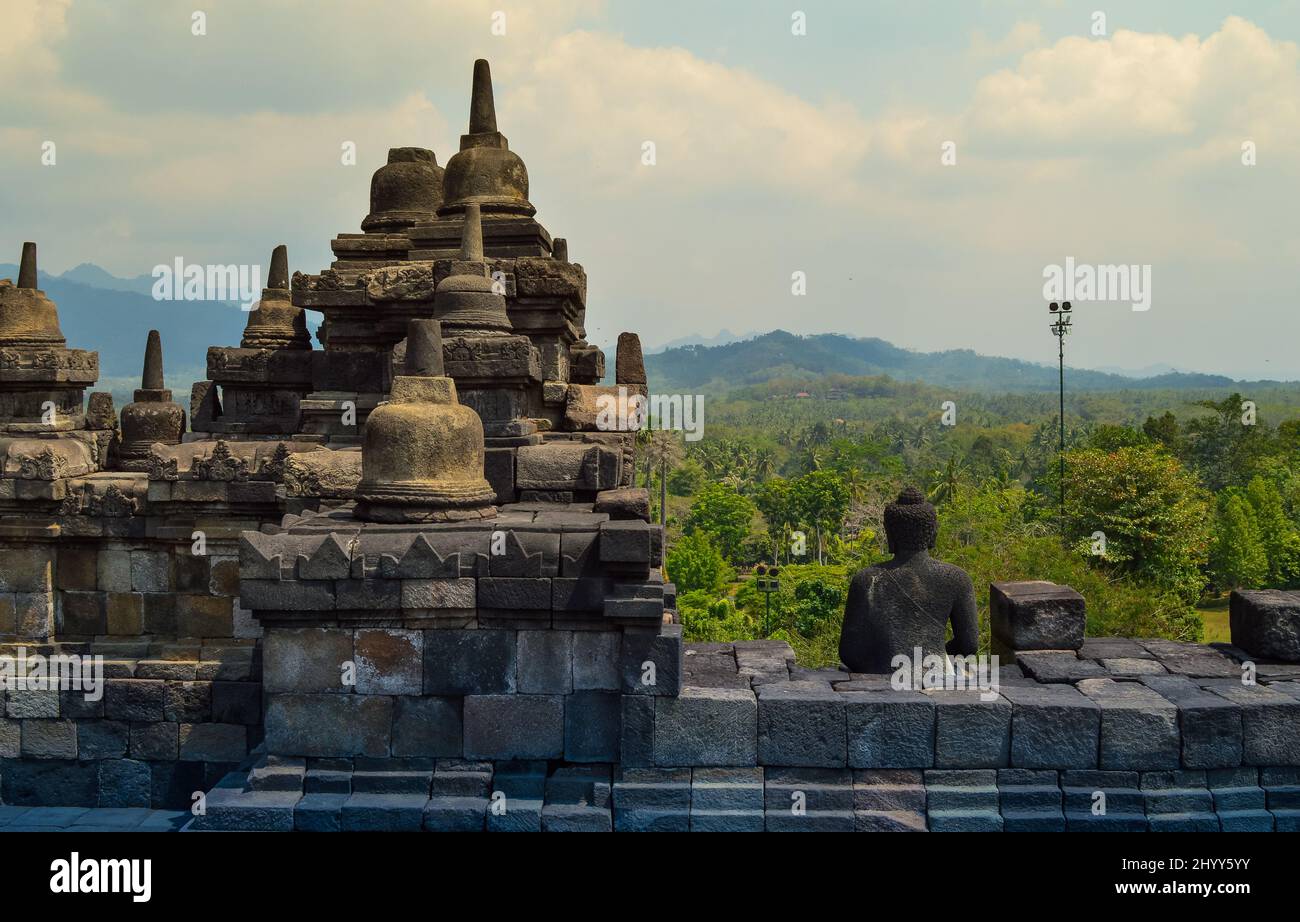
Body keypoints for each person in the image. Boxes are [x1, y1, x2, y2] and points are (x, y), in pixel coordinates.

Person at [839, 486, 979, 674]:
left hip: (881, 674)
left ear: (890, 534)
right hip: (936, 673)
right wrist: (938, 654)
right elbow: (969, 645)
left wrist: (881, 665)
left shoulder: (866, 579)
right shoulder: (957, 579)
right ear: (933, 533)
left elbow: (850, 652)